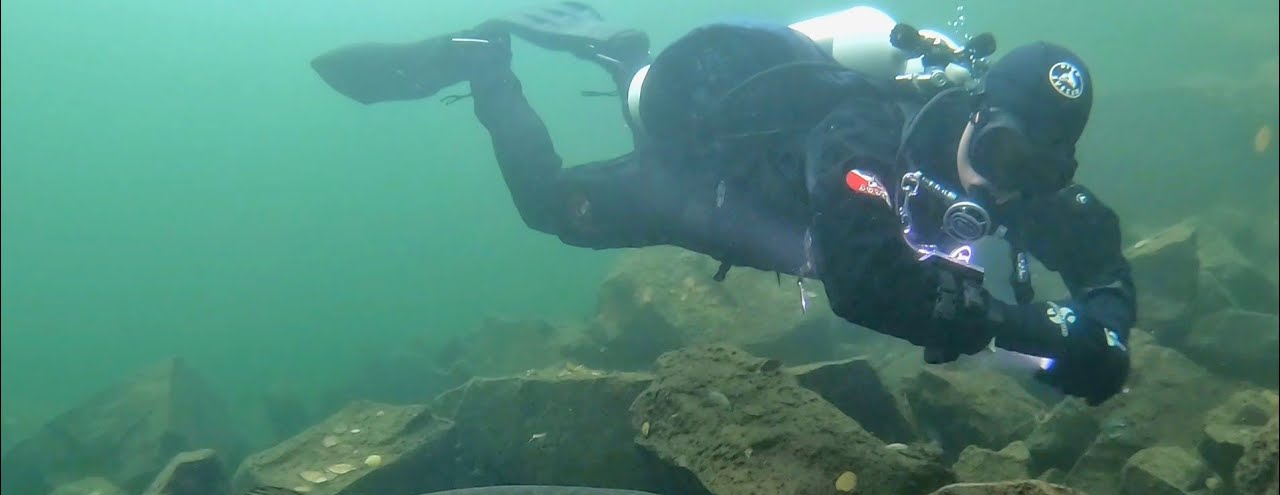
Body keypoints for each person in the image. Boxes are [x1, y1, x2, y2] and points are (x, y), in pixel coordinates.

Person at [311, 3, 1135, 406]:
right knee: (546, 207)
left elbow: (1097, 247)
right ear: (977, 112)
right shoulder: (864, 132)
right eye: (998, 156)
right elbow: (868, 283)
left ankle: (618, 51)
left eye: (1040, 171)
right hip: (706, 181)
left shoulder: (1026, 180)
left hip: (761, 177)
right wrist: (1049, 332)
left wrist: (1108, 330)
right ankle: (487, 63)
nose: (1006, 187)